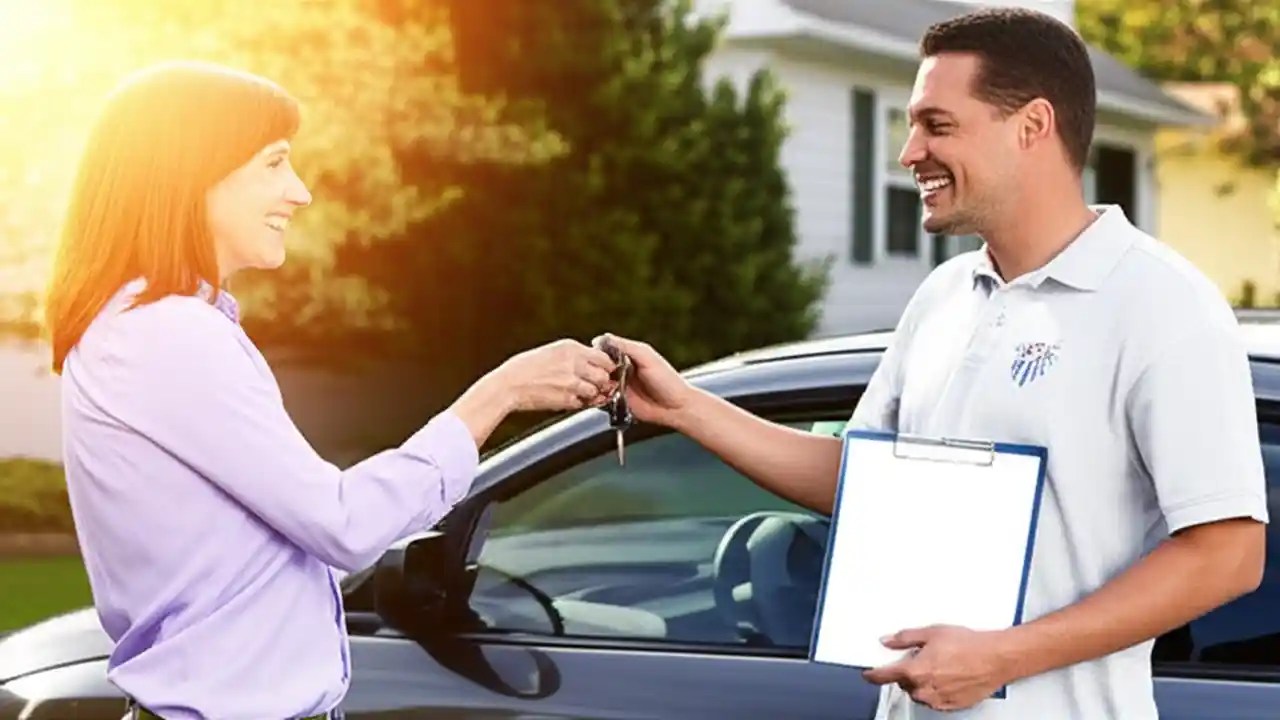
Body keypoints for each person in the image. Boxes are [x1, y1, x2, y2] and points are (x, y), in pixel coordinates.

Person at [599, 7, 1267, 719]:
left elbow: (1228, 552)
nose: (908, 152)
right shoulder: (945, 297)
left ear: (1032, 126)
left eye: (937, 125)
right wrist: (682, 407)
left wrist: (1003, 657)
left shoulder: (1162, 304)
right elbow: (863, 482)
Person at [43, 61, 618, 720]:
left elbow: (272, 552)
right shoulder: (168, 335)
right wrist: (501, 393)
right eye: (275, 163)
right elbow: (342, 525)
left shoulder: (149, 329)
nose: (301, 192)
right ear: (193, 173)